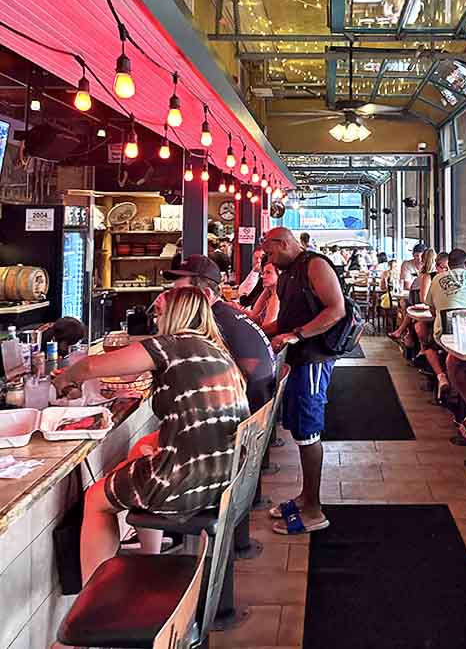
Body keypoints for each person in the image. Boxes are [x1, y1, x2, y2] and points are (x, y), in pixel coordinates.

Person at [54, 286, 250, 582]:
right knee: (143, 446)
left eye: (158, 312)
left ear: (173, 315)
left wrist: (66, 379)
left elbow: (92, 365)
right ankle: (149, 554)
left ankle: (94, 596)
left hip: (193, 481)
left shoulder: (170, 345)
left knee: (96, 499)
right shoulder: (213, 349)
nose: (155, 320)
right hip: (227, 472)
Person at [260, 227, 346, 535]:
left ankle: (314, 511)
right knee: (298, 426)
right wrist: (256, 328)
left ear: (283, 244)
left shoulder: (315, 265)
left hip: (314, 358)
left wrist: (297, 335)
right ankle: (305, 496)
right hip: (298, 359)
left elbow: (337, 309)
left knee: (309, 429)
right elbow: (284, 321)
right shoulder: (288, 273)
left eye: (269, 252)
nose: (267, 259)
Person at [166, 254, 274, 410]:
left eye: (182, 293)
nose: (173, 299)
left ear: (207, 295)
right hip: (258, 408)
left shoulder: (213, 322)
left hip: (244, 417)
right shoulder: (225, 313)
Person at [420, 249, 466, 401]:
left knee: (428, 346)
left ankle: (441, 376)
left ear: (449, 264)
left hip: (444, 333)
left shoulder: (437, 279)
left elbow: (431, 307)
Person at [240, 261, 280, 330]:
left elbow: (266, 327)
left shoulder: (277, 297)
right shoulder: (270, 294)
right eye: (263, 273)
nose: (263, 277)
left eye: (268, 272)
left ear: (279, 274)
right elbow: (254, 315)